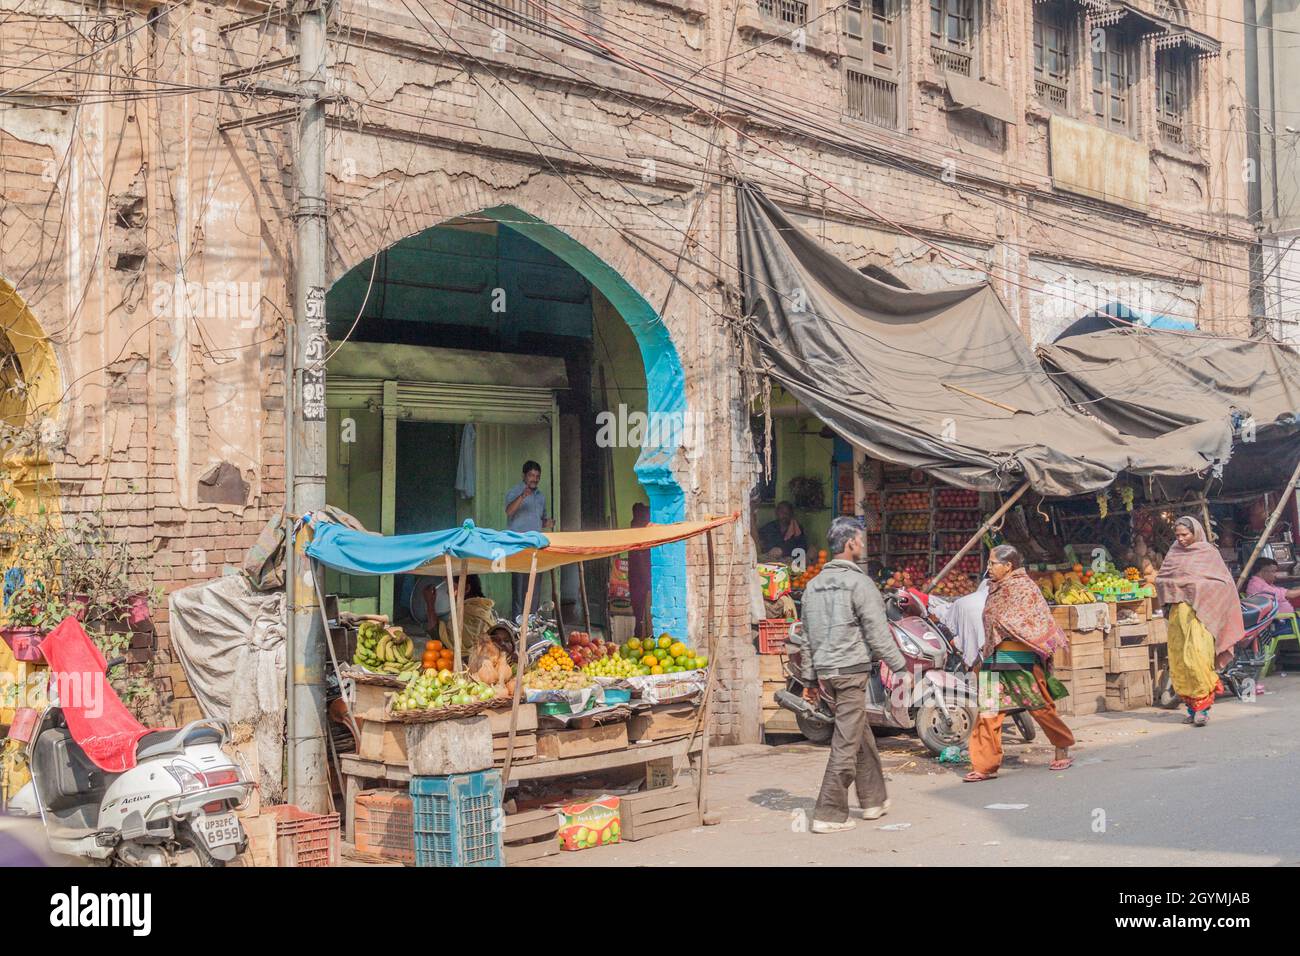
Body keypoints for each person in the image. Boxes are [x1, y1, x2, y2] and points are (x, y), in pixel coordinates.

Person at [797, 517, 907, 833]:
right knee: (845, 743)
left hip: (827, 674)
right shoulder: (860, 584)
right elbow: (877, 631)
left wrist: (808, 679)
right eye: (860, 540)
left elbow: (807, 638)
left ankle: (874, 800)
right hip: (851, 673)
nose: (862, 544)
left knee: (858, 733)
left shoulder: (813, 586)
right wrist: (900, 667)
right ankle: (828, 813)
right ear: (850, 544)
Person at [965, 544, 1075, 782]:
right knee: (988, 711)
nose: (989, 568)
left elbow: (1031, 621)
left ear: (1008, 566)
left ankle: (1062, 745)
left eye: (993, 563)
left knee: (1039, 707)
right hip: (995, 659)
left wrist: (1004, 626)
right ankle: (985, 766)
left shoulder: (1024, 588)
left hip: (1019, 659)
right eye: (989, 563)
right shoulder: (995, 589)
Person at [1156, 515, 1246, 727]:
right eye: (1177, 535)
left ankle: (1203, 710)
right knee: (1180, 663)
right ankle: (1191, 708)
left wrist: (1197, 587)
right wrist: (1173, 584)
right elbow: (1162, 579)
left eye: (1185, 535)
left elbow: (1223, 584)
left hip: (1201, 617)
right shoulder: (1173, 553)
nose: (1181, 539)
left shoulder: (1208, 553)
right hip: (1179, 616)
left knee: (1196, 661)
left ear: (1194, 533)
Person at [505, 459, 552, 619]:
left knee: (534, 587)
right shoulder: (514, 491)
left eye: (537, 476)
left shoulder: (541, 497)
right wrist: (522, 497)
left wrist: (547, 522)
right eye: (531, 475)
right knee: (518, 587)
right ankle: (517, 626)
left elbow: (541, 519)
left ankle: (532, 623)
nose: (535, 479)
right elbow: (509, 512)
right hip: (518, 546)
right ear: (524, 476)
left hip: (536, 547)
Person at [629, 502, 653, 638]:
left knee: (642, 613)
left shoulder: (639, 529)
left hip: (642, 580)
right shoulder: (638, 531)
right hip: (640, 580)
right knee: (640, 613)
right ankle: (640, 636)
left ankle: (641, 636)